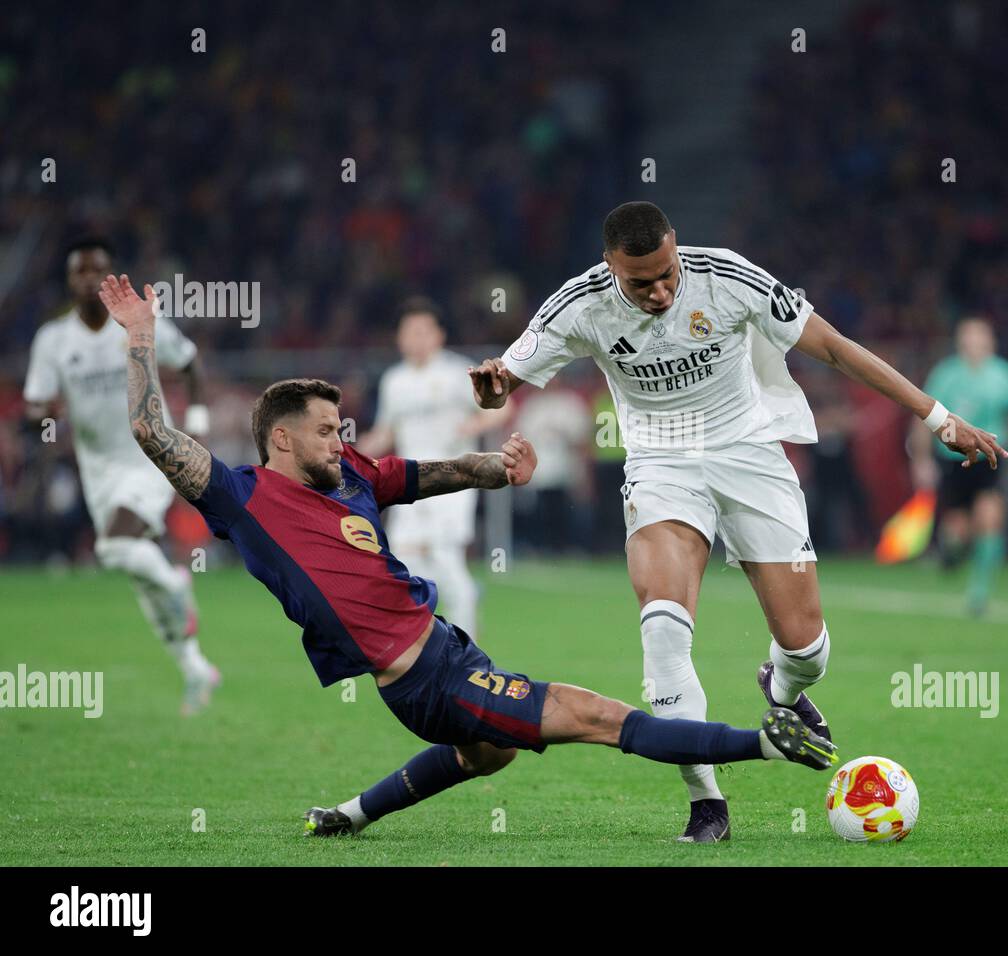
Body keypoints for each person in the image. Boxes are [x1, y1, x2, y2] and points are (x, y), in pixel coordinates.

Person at [98, 273, 836, 839]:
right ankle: (762, 746)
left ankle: (351, 816)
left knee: (491, 755)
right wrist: (139, 335)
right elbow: (153, 433)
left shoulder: (353, 473)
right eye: (325, 430)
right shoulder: (243, 498)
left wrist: (496, 465)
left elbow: (427, 475)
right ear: (282, 440)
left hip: (446, 646)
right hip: (422, 682)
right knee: (598, 717)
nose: (341, 437)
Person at [468, 201, 1004, 842]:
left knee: (808, 646)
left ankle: (782, 685)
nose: (661, 290)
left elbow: (831, 347)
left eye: (667, 272)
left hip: (750, 455)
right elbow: (506, 378)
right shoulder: (579, 304)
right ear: (611, 267)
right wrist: (496, 389)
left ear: (677, 248)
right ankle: (706, 803)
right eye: (642, 283)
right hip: (661, 464)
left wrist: (939, 419)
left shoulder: (727, 277)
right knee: (664, 629)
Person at [23, 238, 219, 714]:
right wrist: (41, 412)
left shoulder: (134, 321)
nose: (89, 279)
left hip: (150, 452)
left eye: (98, 270)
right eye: (80, 272)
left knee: (114, 548)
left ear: (111, 274)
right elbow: (33, 405)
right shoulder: (53, 340)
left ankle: (178, 582)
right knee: (137, 573)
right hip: (98, 468)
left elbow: (189, 360)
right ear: (70, 281)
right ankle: (194, 666)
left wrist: (195, 423)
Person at [358, 297, 503, 636]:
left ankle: (468, 644)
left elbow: (499, 409)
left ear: (439, 335)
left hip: (453, 480)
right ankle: (430, 640)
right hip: (409, 483)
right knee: (404, 562)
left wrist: (473, 427)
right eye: (409, 332)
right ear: (399, 337)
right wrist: (357, 451)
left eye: (423, 331)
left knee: (442, 552)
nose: (416, 338)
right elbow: (386, 431)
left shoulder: (458, 373)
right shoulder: (394, 381)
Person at [911, 319, 1008, 615]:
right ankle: (951, 554)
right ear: (960, 342)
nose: (974, 344)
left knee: (990, 519)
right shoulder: (946, 374)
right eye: (968, 338)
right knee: (957, 531)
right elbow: (923, 417)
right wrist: (921, 459)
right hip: (953, 461)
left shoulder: (1004, 375)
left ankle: (979, 593)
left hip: (990, 458)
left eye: (979, 338)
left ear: (990, 341)